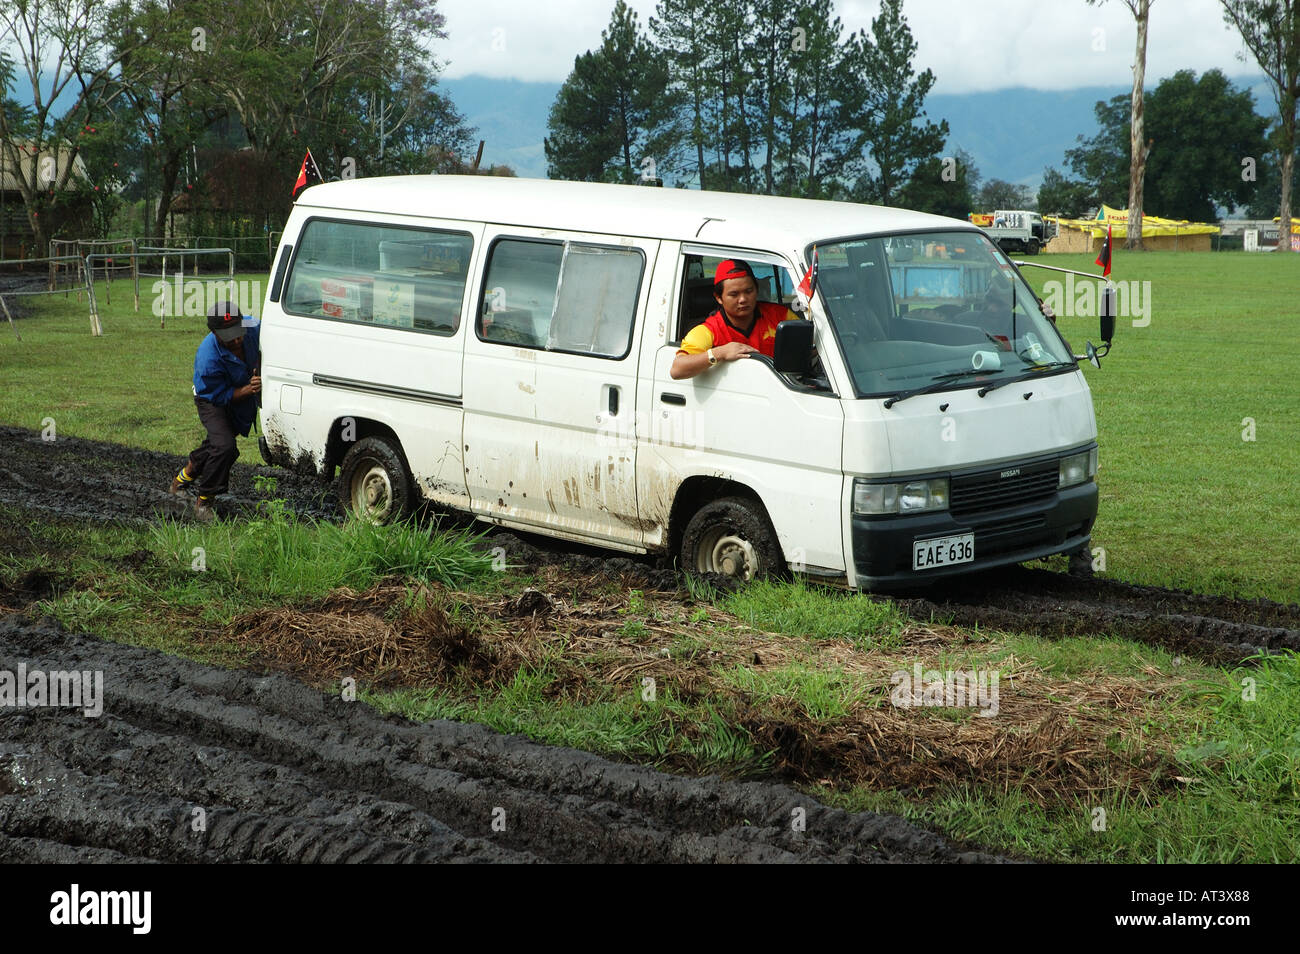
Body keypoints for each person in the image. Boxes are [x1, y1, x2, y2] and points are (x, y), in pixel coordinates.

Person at [169, 301, 261, 521]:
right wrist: (247, 390)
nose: (237, 340)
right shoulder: (207, 359)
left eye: (238, 332)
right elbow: (216, 395)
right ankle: (204, 503)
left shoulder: (253, 326)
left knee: (218, 444)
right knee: (224, 446)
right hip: (212, 399)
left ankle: (181, 481)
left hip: (239, 392)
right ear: (214, 333)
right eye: (229, 336)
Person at [670, 259, 800, 380]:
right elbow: (677, 369)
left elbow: (811, 346)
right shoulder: (708, 330)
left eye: (749, 291)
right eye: (734, 294)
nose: (743, 299)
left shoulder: (780, 316)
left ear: (757, 290)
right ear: (718, 298)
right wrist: (720, 352)